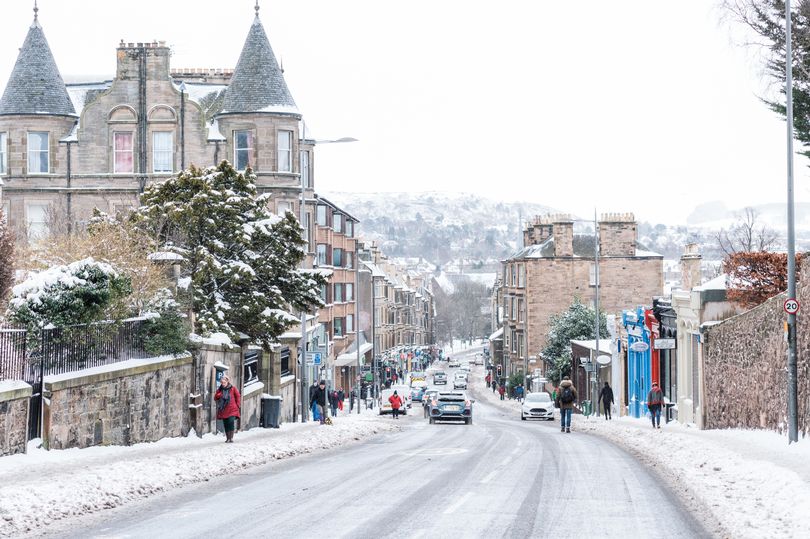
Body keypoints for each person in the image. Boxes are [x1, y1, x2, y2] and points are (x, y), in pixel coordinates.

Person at [214, 374, 241, 443]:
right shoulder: (220, 390)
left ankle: (231, 438)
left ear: (227, 381)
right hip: (224, 409)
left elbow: (238, 396)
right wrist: (218, 395)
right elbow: (215, 398)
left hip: (232, 409)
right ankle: (228, 438)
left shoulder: (233, 388)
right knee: (226, 423)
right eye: (222, 383)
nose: (223, 384)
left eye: (224, 382)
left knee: (230, 422)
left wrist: (238, 405)